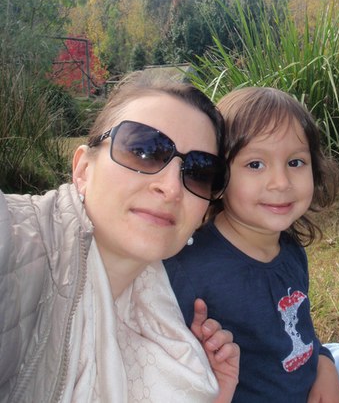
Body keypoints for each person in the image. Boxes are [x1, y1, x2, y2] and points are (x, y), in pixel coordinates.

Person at [0, 71, 239, 403]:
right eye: (143, 150)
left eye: (199, 172)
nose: (171, 188)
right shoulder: (15, 242)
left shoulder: (168, 326)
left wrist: (216, 395)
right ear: (83, 170)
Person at [165, 86, 339, 403]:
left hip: (305, 375)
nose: (281, 182)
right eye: (255, 164)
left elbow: (302, 330)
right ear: (218, 176)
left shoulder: (290, 248)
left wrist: (323, 365)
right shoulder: (188, 269)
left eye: (295, 162)